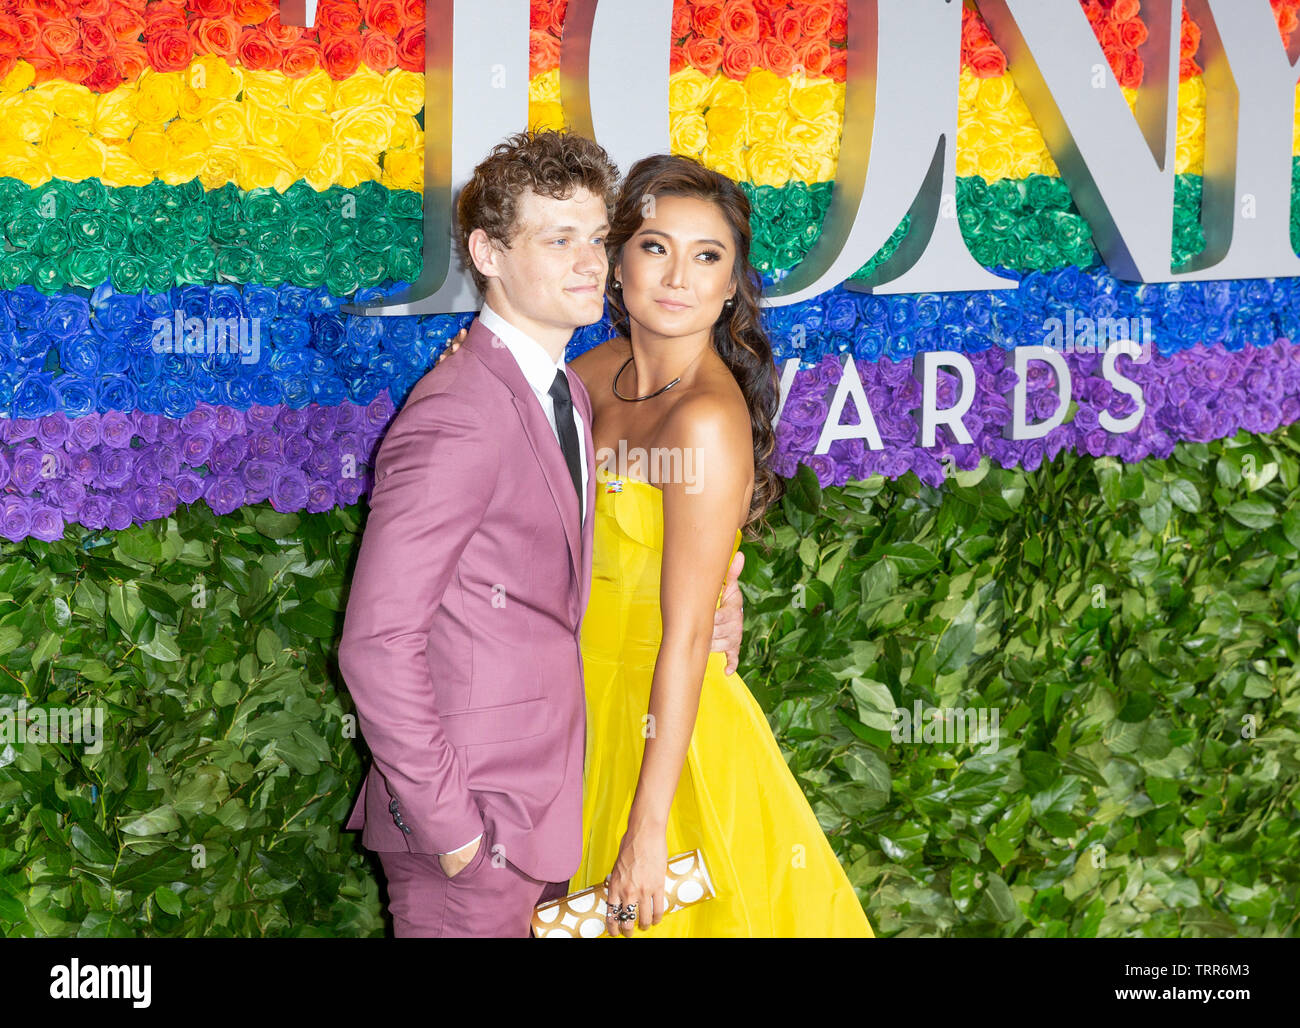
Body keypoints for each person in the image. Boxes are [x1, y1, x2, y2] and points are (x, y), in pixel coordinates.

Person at [443, 153, 874, 937]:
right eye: (655, 247)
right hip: (565, 712)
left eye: (707, 256)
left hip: (662, 732)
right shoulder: (585, 374)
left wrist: (648, 830)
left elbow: (683, 639)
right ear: (616, 263)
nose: (679, 276)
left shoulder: (707, 420)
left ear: (731, 283)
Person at [337, 130, 745, 938]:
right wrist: (456, 834)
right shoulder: (462, 412)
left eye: (597, 239)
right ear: (487, 253)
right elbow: (375, 643)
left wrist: (721, 600)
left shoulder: (567, 390)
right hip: (478, 826)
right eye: (559, 240)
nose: (590, 263)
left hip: (549, 800)